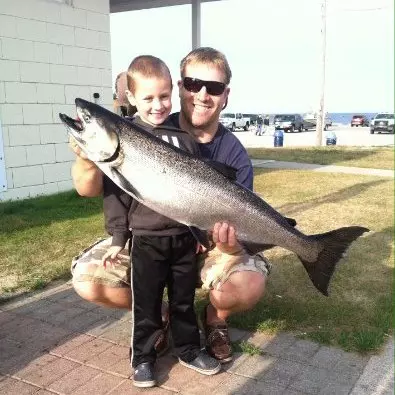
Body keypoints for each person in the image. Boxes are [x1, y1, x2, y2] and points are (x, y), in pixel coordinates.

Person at [70, 47, 272, 366]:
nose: (202, 94)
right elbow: (88, 189)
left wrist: (228, 246)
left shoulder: (234, 153)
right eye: (193, 84)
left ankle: (215, 319)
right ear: (180, 88)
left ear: (225, 96)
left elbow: (239, 232)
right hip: (149, 241)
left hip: (205, 244)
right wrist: (86, 157)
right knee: (89, 281)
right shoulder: (146, 127)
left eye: (214, 88)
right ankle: (158, 316)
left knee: (247, 284)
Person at [72, 55, 221, 388]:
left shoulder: (184, 137)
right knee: (147, 304)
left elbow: (198, 190)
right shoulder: (125, 136)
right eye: (149, 98)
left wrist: (199, 230)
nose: (158, 105)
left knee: (183, 302)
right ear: (131, 98)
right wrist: (117, 238)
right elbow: (116, 195)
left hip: (183, 239)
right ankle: (143, 357)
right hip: (146, 241)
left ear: (173, 93)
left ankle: (188, 349)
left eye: (164, 96)